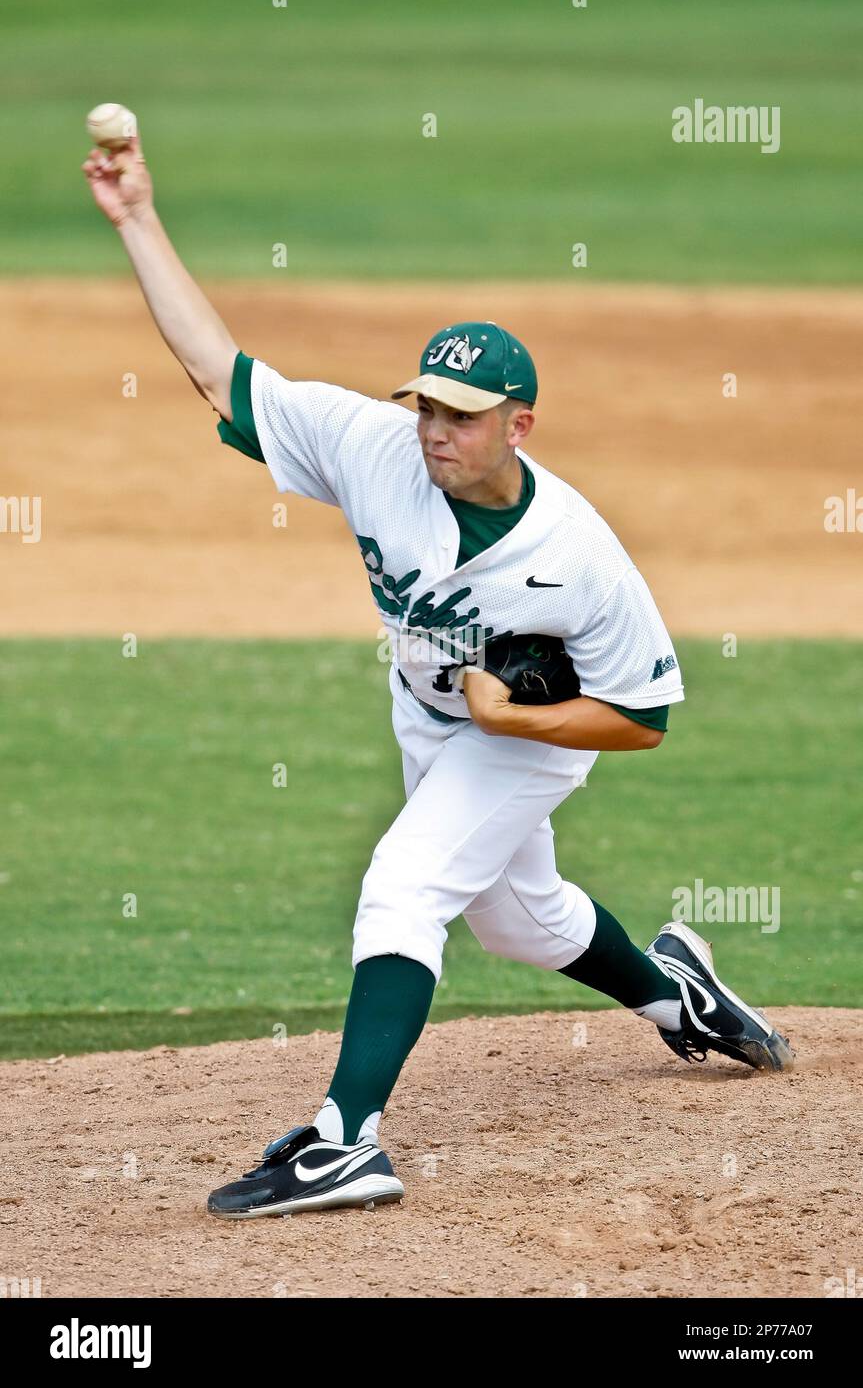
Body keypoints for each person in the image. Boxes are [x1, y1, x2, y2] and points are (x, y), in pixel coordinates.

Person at [82, 134, 793, 1220]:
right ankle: (679, 999)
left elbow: (642, 717)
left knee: (404, 884)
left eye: (459, 414)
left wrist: (520, 714)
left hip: (524, 739)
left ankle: (344, 1139)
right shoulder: (374, 449)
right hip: (428, 720)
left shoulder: (582, 556)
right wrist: (135, 217)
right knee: (520, 920)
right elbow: (218, 371)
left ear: (518, 424)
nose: (432, 430)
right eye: (424, 405)